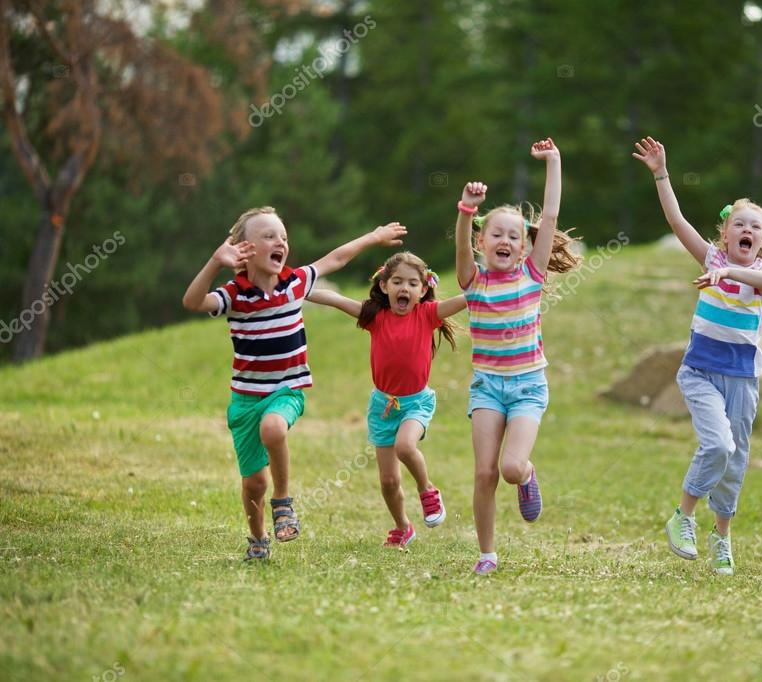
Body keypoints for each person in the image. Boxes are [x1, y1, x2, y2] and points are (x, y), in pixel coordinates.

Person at [182, 205, 406, 560]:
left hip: (287, 390)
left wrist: (374, 237)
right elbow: (192, 301)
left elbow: (336, 259)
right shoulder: (235, 294)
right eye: (268, 236)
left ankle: (283, 502)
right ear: (244, 249)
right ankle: (258, 540)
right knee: (253, 481)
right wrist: (214, 261)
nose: (280, 242)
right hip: (245, 400)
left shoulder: (295, 282)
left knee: (274, 429)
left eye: (283, 237)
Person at [632, 136, 762, 576]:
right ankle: (682, 516)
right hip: (700, 373)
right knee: (718, 444)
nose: (746, 230)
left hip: (743, 381)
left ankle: (722, 538)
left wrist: (725, 272)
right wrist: (661, 174)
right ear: (725, 234)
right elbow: (677, 221)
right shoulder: (710, 257)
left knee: (735, 463)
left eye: (754, 226)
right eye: (739, 224)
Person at [454, 137, 581, 575]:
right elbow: (464, 239)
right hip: (487, 387)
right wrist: (466, 210)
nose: (505, 239)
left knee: (508, 468)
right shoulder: (473, 281)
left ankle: (527, 475)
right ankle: (487, 553)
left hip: (527, 386)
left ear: (525, 247)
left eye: (514, 235)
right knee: (484, 473)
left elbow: (548, 216)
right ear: (482, 242)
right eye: (496, 234)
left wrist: (554, 162)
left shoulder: (532, 274)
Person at [307, 252, 465, 548]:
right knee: (388, 482)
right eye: (397, 282)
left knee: (406, 446)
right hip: (383, 407)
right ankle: (403, 526)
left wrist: (492, 280)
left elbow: (467, 297)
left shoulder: (428, 314)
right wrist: (293, 288)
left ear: (423, 290)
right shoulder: (374, 317)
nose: (404, 288)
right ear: (383, 286)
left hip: (417, 402)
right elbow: (333, 298)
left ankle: (427, 490)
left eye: (412, 283)